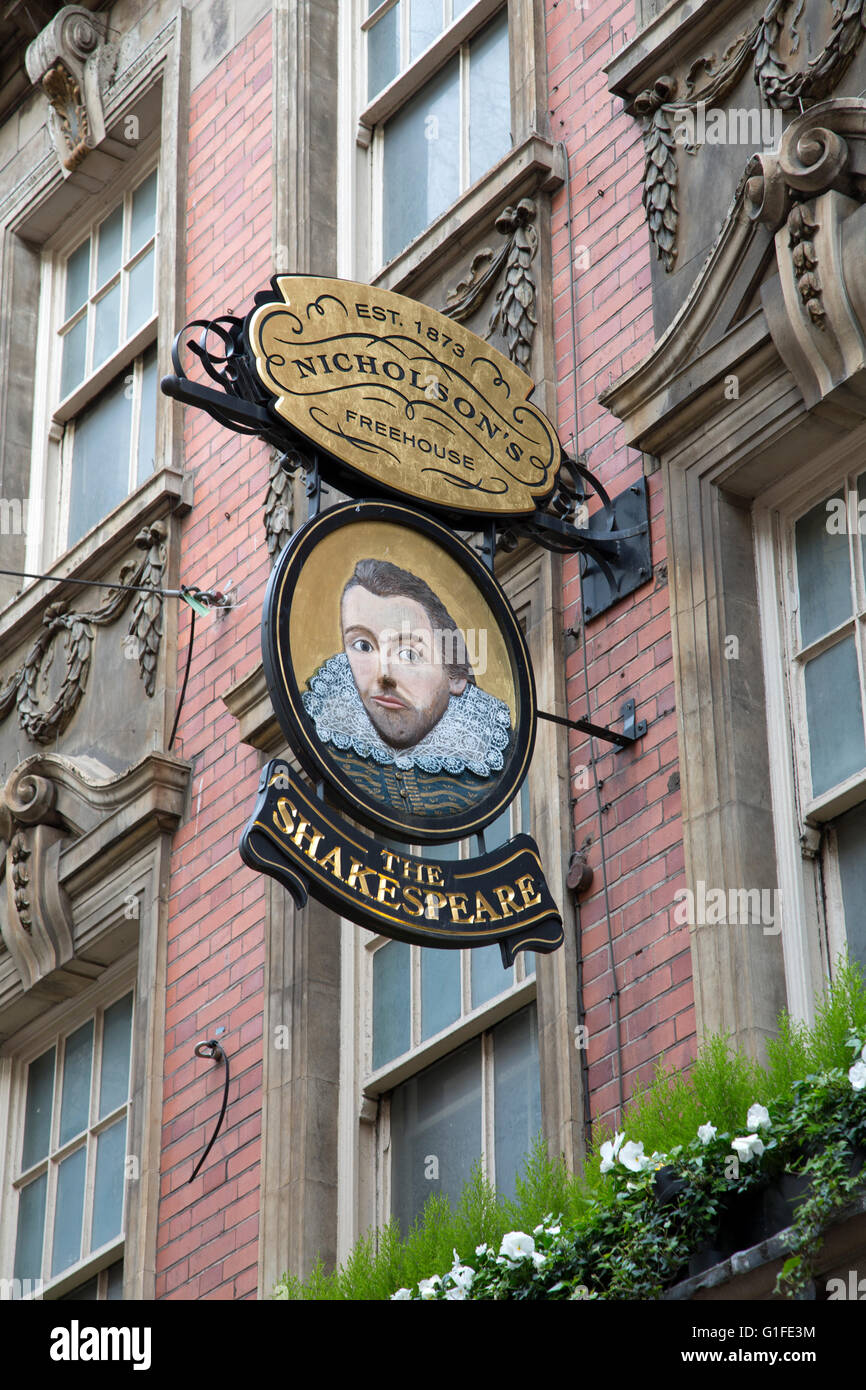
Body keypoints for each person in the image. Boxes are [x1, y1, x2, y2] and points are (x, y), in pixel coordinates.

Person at [301, 558, 513, 818]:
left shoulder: (492, 754)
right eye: (363, 646)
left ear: (456, 675)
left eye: (409, 653)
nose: (385, 675)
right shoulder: (322, 730)